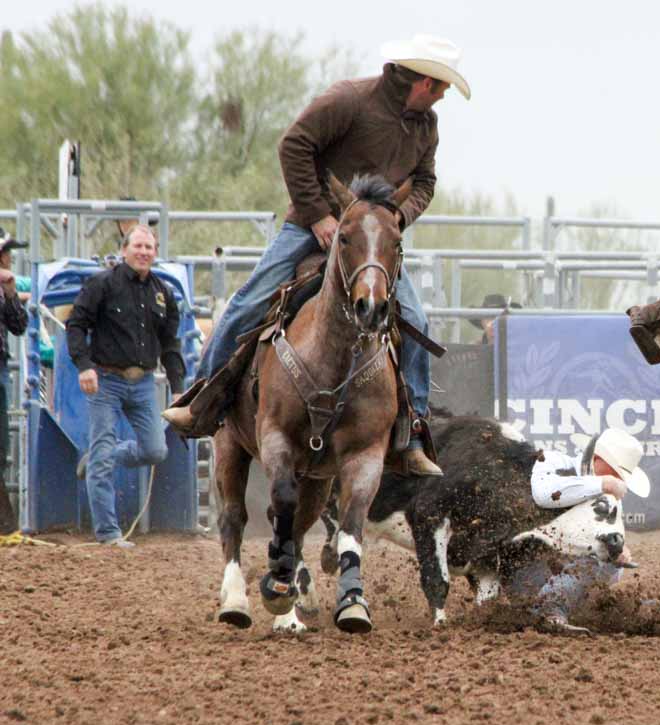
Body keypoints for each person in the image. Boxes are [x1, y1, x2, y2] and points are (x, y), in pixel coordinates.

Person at [162, 34, 471, 477]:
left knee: (417, 323)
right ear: (423, 82)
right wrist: (318, 215)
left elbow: (424, 182)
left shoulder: (427, 125)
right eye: (440, 87)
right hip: (313, 226)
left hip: (371, 240)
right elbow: (294, 146)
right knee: (249, 302)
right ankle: (203, 399)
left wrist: (397, 219)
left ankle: (411, 431)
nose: (441, 96)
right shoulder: (348, 100)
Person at [66, 225, 184, 547]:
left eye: (150, 247)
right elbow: (76, 325)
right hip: (105, 380)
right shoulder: (102, 283)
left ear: (155, 253)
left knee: (155, 450)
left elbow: (170, 343)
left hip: (143, 382)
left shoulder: (163, 293)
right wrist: (84, 366)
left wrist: (178, 387)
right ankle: (108, 534)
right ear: (124, 250)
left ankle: (99, 457)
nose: (144, 252)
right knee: (103, 454)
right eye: (139, 246)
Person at [510, 428, 660, 634]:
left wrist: (617, 554)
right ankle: (548, 609)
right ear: (597, 460)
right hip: (525, 570)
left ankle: (556, 609)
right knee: (594, 562)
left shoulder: (608, 499)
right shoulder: (552, 462)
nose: (618, 481)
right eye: (615, 473)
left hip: (569, 587)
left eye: (620, 476)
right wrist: (602, 483)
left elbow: (608, 573)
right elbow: (544, 494)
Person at [0, 229, 31, 530]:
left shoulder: (5, 287)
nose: (9, 257)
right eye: (5, 251)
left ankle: (4, 525)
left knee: (1, 447)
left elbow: (19, 326)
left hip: (0, 368)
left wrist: (10, 295)